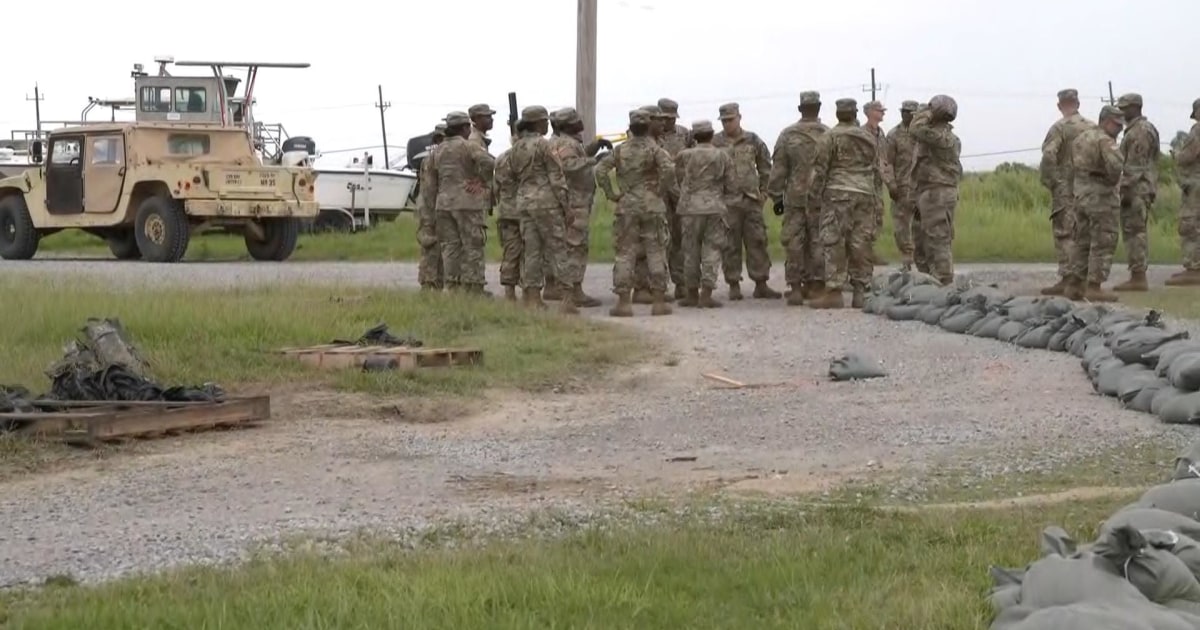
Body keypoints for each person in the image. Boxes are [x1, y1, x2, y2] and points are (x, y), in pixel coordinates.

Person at [595, 109, 678, 317]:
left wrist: (611, 193)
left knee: (625, 253)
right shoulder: (655, 149)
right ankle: (658, 302)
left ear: (631, 127)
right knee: (656, 251)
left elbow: (600, 170)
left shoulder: (620, 150)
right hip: (652, 205)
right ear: (648, 127)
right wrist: (659, 190)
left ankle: (624, 302)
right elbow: (669, 169)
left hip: (627, 205)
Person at [807, 98, 882, 309]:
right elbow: (876, 168)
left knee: (834, 240)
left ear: (837, 114)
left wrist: (813, 198)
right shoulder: (869, 138)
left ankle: (834, 291)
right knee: (861, 241)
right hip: (865, 193)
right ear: (855, 114)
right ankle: (861, 291)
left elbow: (820, 170)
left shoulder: (829, 137)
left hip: (838, 193)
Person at [713, 102, 781, 300]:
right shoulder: (715, 142)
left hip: (751, 200)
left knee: (757, 241)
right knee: (729, 245)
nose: (727, 124)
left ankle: (761, 283)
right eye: (724, 121)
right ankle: (733, 284)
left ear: (739, 118)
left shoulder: (752, 140)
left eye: (730, 120)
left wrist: (764, 192)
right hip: (727, 202)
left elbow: (766, 166)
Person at [510, 105, 575, 313]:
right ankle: (567, 298)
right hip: (546, 203)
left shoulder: (516, 147)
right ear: (537, 123)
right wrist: (566, 207)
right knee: (558, 249)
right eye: (545, 121)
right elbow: (556, 177)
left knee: (532, 251)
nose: (547, 124)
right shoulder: (544, 145)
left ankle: (532, 297)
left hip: (524, 202)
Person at [767, 90, 829, 305]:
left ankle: (795, 287)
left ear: (800, 109)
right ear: (819, 108)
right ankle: (817, 285)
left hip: (795, 197)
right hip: (820, 197)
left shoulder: (788, 135)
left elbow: (779, 170)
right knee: (818, 240)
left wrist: (776, 197)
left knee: (794, 241)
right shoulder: (828, 134)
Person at [548, 107, 612, 308]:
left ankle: (557, 287)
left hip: (570, 200)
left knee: (565, 245)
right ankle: (575, 291)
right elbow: (569, 165)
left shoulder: (562, 142)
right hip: (575, 202)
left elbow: (575, 157)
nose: (580, 123)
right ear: (567, 125)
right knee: (576, 246)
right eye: (575, 120)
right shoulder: (566, 143)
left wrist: (593, 148)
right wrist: (595, 160)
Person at [426, 111, 495, 295]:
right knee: (473, 245)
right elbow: (490, 163)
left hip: (443, 204)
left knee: (450, 246)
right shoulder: (468, 146)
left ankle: (451, 287)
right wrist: (481, 181)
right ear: (465, 127)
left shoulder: (437, 151)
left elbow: (430, 182)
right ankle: (474, 288)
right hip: (466, 202)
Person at [1063, 105, 1126, 302]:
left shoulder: (1081, 139)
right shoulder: (1105, 141)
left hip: (1081, 195)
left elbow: (1071, 166)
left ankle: (1074, 284)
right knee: (1103, 241)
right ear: (1105, 121)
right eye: (1116, 124)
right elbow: (1116, 167)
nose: (1120, 129)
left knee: (1082, 241)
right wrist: (1111, 182)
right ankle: (1094, 286)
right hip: (1102, 198)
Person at [1038, 89, 1094, 295]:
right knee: (1085, 233)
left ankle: (1069, 278)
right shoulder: (1092, 127)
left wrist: (1052, 181)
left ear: (1060, 105)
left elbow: (1049, 155)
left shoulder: (1060, 128)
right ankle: (1083, 277)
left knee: (1065, 233)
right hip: (1090, 189)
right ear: (1078, 103)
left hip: (1067, 188)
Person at [675, 119, 736, 308]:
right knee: (712, 249)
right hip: (714, 207)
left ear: (694, 136)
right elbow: (732, 183)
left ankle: (691, 293)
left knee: (690, 251)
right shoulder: (722, 155)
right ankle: (707, 294)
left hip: (690, 208)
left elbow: (676, 178)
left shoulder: (683, 156)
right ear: (711, 135)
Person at [909, 94, 963, 286]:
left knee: (938, 239)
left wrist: (927, 112)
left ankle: (943, 281)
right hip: (928, 192)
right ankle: (929, 281)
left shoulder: (942, 136)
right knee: (922, 239)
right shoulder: (934, 136)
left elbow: (915, 128)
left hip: (937, 193)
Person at [1112, 92, 1161, 292]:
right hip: (1141, 186)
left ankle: (1138, 276)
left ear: (1135, 107)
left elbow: (1135, 167)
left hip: (1136, 189)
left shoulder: (1139, 131)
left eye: (1124, 108)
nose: (1121, 113)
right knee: (1134, 230)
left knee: (1134, 232)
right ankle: (1137, 274)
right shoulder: (1142, 129)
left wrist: (1123, 189)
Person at [656, 97, 694, 299]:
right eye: (664, 118)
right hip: (659, 192)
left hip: (680, 192)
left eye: (671, 118)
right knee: (661, 239)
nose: (668, 122)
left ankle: (681, 283)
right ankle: (659, 286)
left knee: (680, 238)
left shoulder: (685, 134)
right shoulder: (651, 135)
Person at [1167, 98, 1200, 286]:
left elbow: (1188, 156)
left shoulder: (1197, 131)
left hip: (1195, 183)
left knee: (1191, 224)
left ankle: (1194, 267)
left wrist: (1176, 155)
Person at [886, 100, 922, 271]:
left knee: (922, 226)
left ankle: (923, 262)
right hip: (902, 187)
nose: (905, 115)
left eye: (909, 112)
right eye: (904, 111)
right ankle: (907, 259)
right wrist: (891, 183)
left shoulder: (923, 134)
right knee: (901, 226)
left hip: (922, 187)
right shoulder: (894, 135)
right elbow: (887, 162)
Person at [862, 100, 895, 267]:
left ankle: (870, 251)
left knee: (877, 217)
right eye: (879, 110)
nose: (883, 113)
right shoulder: (861, 133)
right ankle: (863, 253)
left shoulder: (881, 134)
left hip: (877, 183)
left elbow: (885, 159)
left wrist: (890, 182)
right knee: (864, 218)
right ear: (869, 112)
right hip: (864, 182)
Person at [416, 123, 447, 291]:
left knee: (441, 248)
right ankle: (428, 283)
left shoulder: (440, 158)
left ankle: (438, 283)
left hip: (438, 208)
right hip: (431, 209)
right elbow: (428, 190)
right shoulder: (432, 160)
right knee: (431, 247)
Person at [493, 138, 522, 301]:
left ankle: (509, 292)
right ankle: (529, 291)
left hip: (506, 210)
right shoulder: (526, 156)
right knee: (530, 252)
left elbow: (496, 187)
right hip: (524, 210)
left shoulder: (501, 159)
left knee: (511, 251)